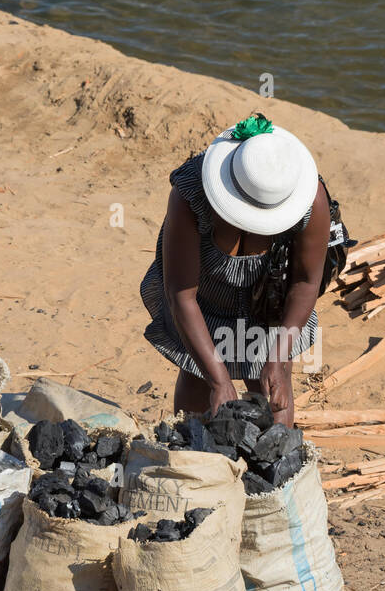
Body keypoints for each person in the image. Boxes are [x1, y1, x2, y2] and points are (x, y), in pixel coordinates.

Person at [140, 114, 335, 428]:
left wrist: (278, 355)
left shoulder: (310, 202)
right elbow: (181, 295)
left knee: (272, 390)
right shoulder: (191, 195)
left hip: (268, 303)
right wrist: (219, 381)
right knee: (198, 386)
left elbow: (305, 282)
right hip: (203, 300)